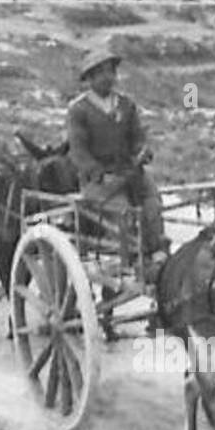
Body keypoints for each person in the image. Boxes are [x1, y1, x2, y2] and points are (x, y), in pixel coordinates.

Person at [67, 43, 168, 276]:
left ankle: (158, 250)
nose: (108, 77)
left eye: (111, 71)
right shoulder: (79, 110)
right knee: (122, 210)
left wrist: (142, 151)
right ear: (90, 78)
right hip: (98, 181)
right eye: (101, 72)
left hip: (129, 172)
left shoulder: (125, 105)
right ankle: (132, 257)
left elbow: (137, 137)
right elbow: (78, 152)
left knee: (152, 198)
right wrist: (99, 173)